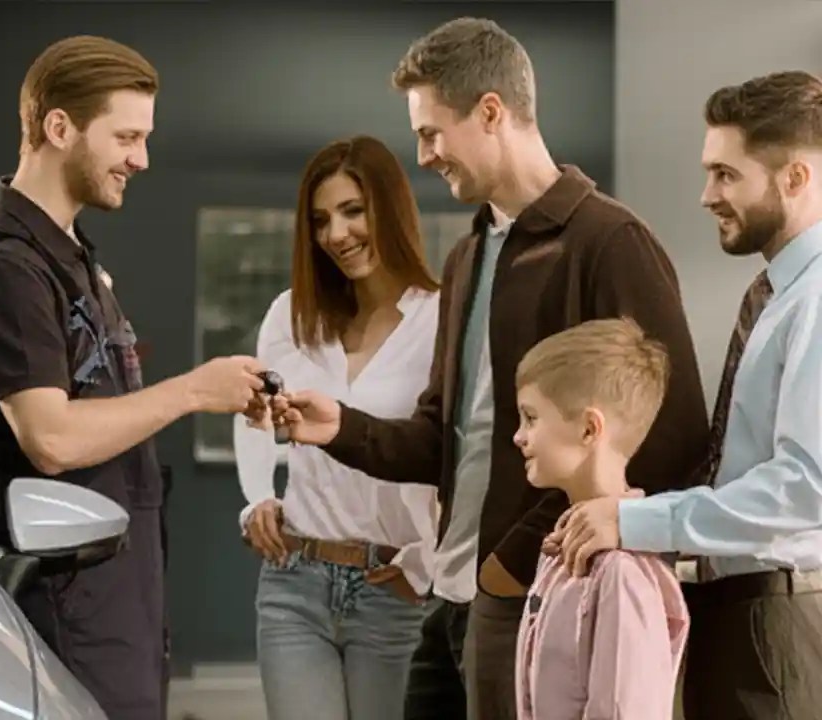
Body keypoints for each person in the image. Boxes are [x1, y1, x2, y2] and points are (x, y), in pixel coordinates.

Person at [254, 17, 709, 720]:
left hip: (528, 596)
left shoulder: (609, 242)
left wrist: (514, 562)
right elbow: (443, 438)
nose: (425, 154)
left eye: (432, 132)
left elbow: (673, 439)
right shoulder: (469, 257)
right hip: (453, 594)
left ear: (491, 111)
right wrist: (340, 426)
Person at [0, 35, 266, 720]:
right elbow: (50, 438)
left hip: (119, 585)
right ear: (59, 127)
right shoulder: (3, 266)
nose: (140, 159)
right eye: (125, 137)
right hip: (70, 597)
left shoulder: (72, 258)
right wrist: (195, 391)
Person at [546, 70, 822, 720]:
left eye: (726, 174)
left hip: (772, 620)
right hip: (741, 613)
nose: (706, 195)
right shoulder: (779, 297)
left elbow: (809, 483)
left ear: (796, 178)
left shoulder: (814, 302)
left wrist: (635, 521)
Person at [235, 135, 441, 720]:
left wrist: (424, 564)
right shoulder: (289, 315)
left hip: (393, 590)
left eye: (353, 211)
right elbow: (251, 411)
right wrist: (256, 500)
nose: (336, 234)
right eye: (321, 220)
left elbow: (459, 450)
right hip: (293, 583)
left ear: (391, 208)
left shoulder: (439, 319)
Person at [511, 318, 689, 720]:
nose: (518, 436)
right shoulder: (561, 553)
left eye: (531, 417)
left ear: (590, 428)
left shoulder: (623, 573)